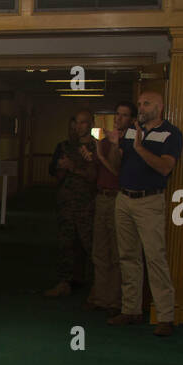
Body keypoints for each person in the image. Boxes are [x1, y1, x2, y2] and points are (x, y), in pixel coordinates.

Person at [104, 90, 183, 336]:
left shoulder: (171, 134)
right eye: (139, 103)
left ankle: (165, 317)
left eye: (146, 103)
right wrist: (116, 148)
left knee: (155, 258)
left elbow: (164, 168)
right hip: (124, 198)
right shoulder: (130, 130)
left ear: (159, 107)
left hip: (149, 201)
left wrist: (139, 147)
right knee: (128, 256)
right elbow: (117, 167)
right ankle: (131, 310)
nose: (141, 106)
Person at [81, 102, 130, 316]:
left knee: (118, 251)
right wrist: (91, 159)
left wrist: (102, 155)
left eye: (124, 115)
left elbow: (119, 172)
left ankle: (115, 301)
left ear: (132, 120)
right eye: (117, 114)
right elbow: (95, 174)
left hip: (119, 198)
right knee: (99, 251)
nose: (119, 119)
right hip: (101, 197)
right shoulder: (104, 141)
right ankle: (100, 297)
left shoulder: (130, 143)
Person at [45, 110, 97, 297]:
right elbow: (55, 173)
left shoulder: (97, 148)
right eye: (76, 122)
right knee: (65, 243)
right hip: (66, 203)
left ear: (91, 123)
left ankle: (96, 286)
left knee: (90, 245)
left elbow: (94, 177)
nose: (79, 126)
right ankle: (64, 282)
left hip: (87, 204)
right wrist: (62, 168)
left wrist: (73, 167)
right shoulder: (64, 147)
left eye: (84, 122)